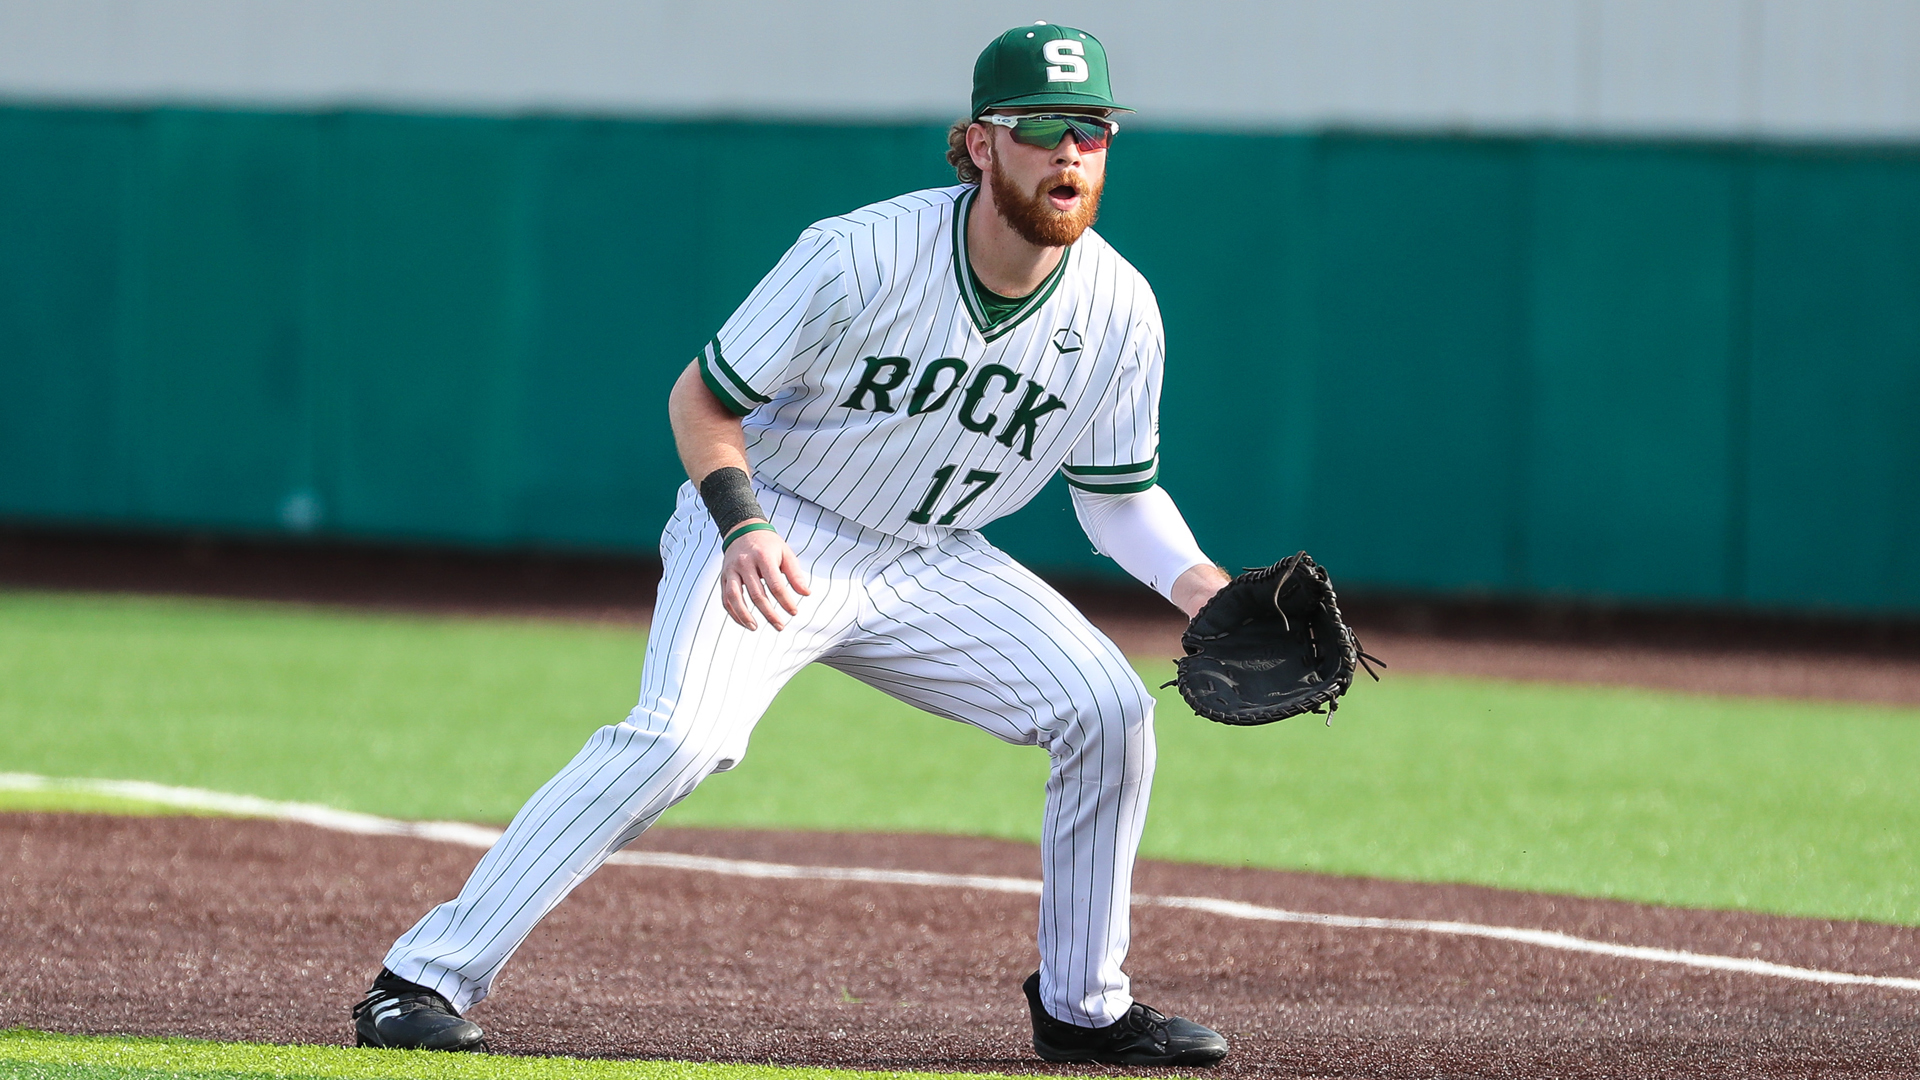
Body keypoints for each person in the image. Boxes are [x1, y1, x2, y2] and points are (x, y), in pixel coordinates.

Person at [351, 22, 1232, 1067]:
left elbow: (1118, 497)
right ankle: (419, 980)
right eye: (1044, 129)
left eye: (1092, 129)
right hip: (779, 526)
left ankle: (1084, 1008)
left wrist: (1206, 593)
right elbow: (701, 402)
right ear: (982, 143)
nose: (1071, 154)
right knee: (682, 738)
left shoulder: (1121, 310)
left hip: (932, 556)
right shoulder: (859, 255)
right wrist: (742, 525)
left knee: (1110, 712)